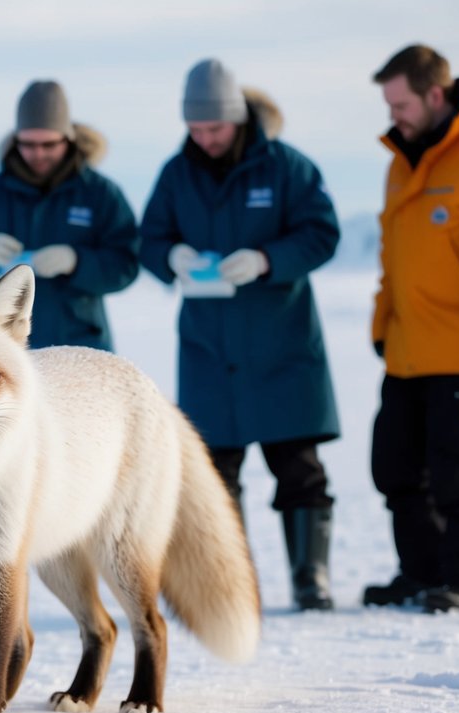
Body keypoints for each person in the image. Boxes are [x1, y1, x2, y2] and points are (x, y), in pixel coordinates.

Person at [140, 59, 341, 611]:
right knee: (214, 477)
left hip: (282, 345)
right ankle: (230, 586)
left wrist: (265, 259)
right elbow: (150, 238)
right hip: (210, 349)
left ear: (237, 119)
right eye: (196, 129)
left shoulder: (287, 168)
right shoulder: (176, 174)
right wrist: (172, 255)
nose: (204, 139)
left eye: (215, 129)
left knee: (298, 467)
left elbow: (322, 234)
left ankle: (311, 580)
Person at [365, 45, 459, 613]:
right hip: (407, 349)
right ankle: (421, 572)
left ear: (435, 94)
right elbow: (395, 258)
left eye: (401, 102)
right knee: (395, 467)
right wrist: (381, 326)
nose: (393, 114)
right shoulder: (403, 161)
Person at [0, 80, 139, 351]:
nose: (37, 153)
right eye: (28, 144)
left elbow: (126, 264)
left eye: (48, 144)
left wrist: (77, 262)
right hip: (9, 350)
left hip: (82, 347)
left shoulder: (99, 193)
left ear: (68, 138)